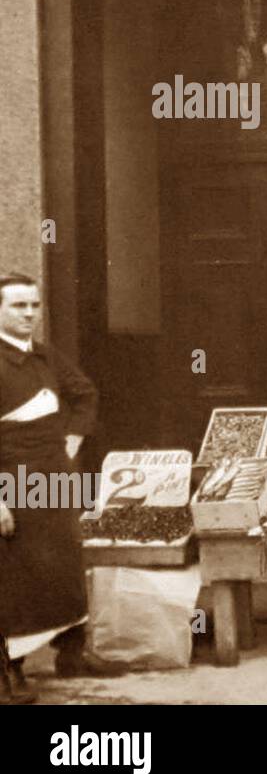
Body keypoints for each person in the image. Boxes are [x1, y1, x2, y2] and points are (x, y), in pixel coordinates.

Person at [0, 272, 123, 705]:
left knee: (66, 562)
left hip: (54, 478)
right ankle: (8, 671)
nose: (29, 313)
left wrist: (71, 438)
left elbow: (84, 393)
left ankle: (71, 653)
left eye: (34, 305)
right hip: (12, 482)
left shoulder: (44, 356)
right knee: (16, 576)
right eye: (18, 306)